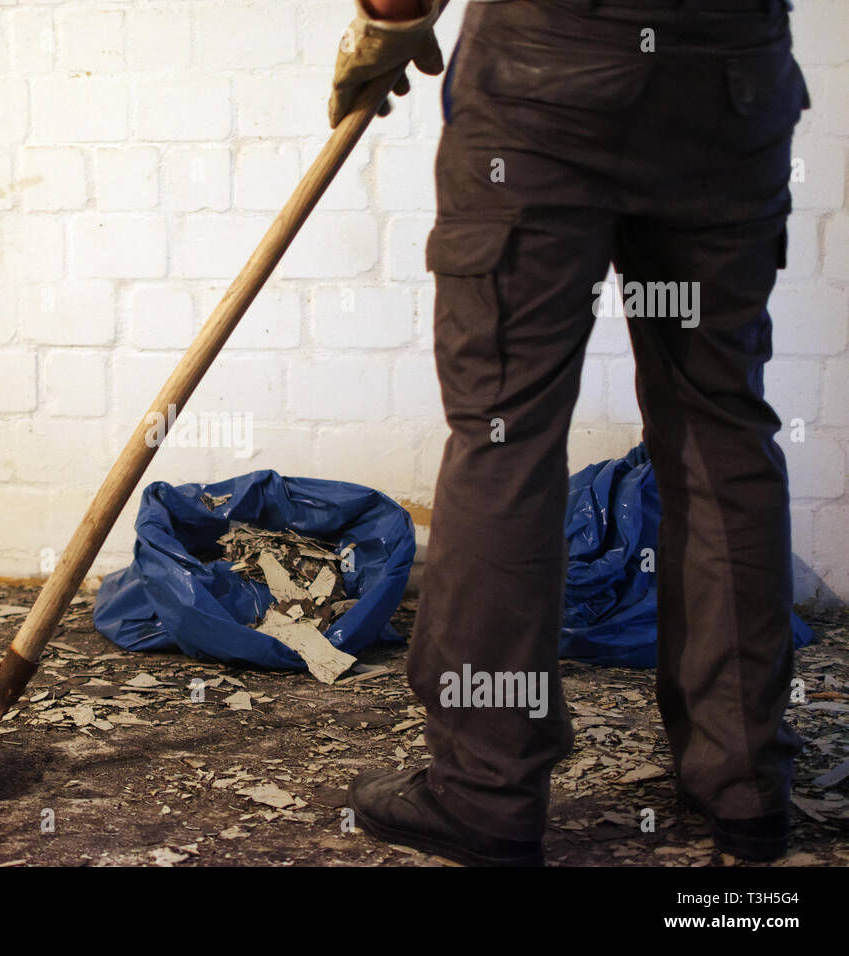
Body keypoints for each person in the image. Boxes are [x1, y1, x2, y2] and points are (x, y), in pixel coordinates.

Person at [330, 0, 810, 865]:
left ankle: (485, 792)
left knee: (504, 439)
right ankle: (743, 785)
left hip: (543, 76)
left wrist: (388, 20)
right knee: (722, 427)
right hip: (729, 79)